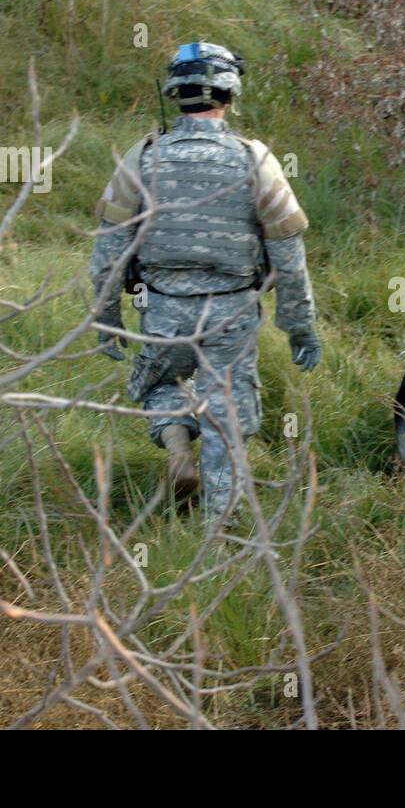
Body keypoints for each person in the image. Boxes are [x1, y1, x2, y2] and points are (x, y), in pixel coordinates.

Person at [90, 42, 320, 528]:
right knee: (227, 415)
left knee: (159, 383)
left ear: (177, 92)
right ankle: (222, 529)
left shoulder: (142, 157)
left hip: (163, 306)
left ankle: (175, 440)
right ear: (229, 94)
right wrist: (301, 327)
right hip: (232, 312)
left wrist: (107, 321)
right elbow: (289, 257)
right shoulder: (254, 160)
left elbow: (108, 253)